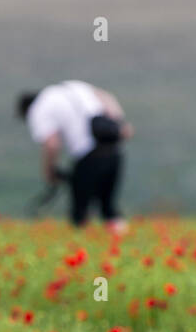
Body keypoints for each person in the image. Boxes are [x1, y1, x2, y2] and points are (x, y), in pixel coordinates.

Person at [17, 80, 133, 231]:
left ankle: (83, 243)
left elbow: (52, 144)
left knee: (80, 211)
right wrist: (119, 124)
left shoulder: (39, 108)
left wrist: (49, 171)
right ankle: (119, 237)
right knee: (108, 206)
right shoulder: (73, 86)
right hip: (114, 150)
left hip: (88, 155)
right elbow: (107, 98)